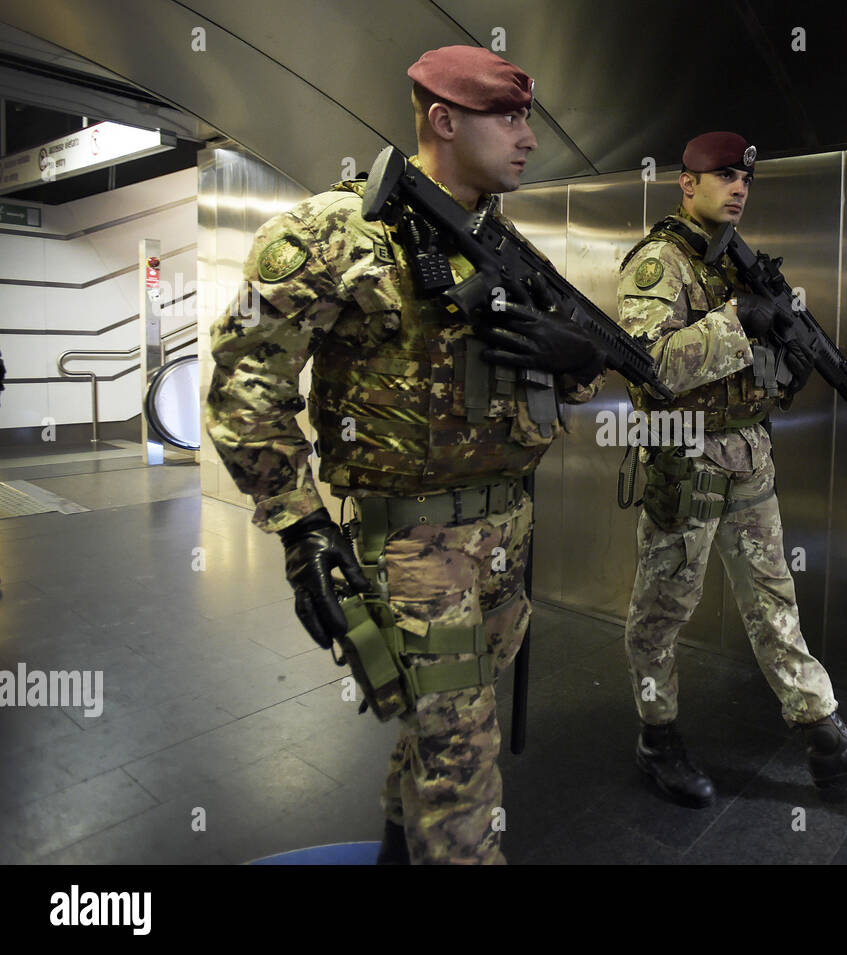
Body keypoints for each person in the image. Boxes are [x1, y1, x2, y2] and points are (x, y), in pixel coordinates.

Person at [205, 46, 605, 864]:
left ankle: (397, 853)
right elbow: (245, 382)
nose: (529, 137)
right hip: (420, 555)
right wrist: (300, 526)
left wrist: (575, 362)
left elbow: (536, 388)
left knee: (442, 733)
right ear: (444, 120)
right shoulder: (330, 232)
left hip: (506, 540)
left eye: (528, 116)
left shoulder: (505, 246)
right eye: (509, 117)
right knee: (464, 779)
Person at [614, 131, 847, 808]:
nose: (739, 187)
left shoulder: (737, 264)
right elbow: (648, 372)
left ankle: (823, 737)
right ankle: (656, 735)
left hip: (748, 458)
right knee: (662, 611)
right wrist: (738, 319)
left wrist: (785, 363)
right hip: (687, 460)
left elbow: (747, 375)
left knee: (774, 601)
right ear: (686, 185)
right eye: (723, 176)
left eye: (745, 179)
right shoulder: (660, 263)